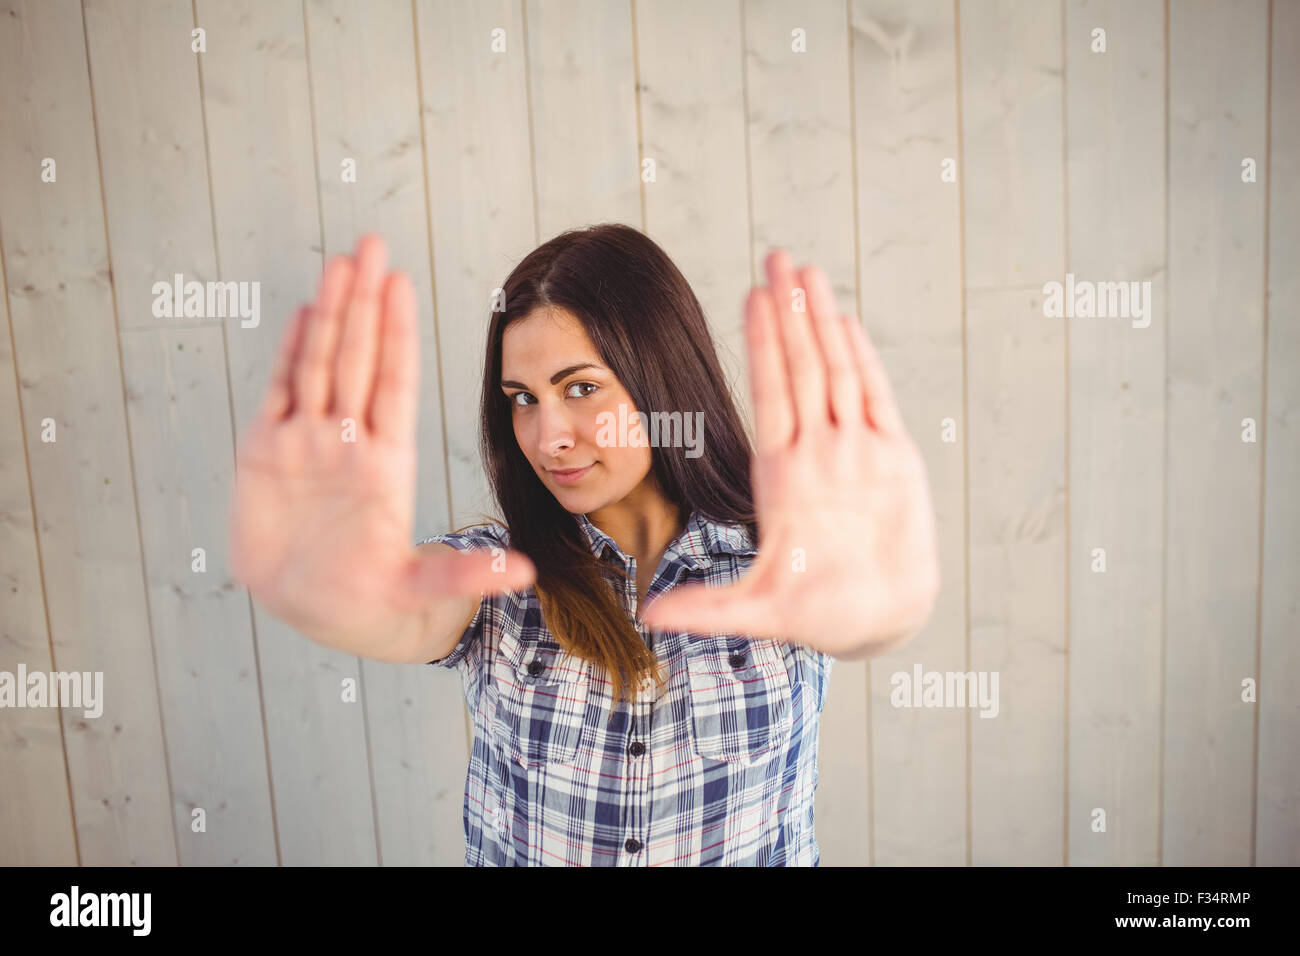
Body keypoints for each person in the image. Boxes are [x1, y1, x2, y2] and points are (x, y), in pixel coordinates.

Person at [228, 224, 940, 866]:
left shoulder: (782, 561)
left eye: (581, 388)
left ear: (661, 381)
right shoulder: (500, 576)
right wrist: (340, 601)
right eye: (523, 398)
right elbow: (402, 608)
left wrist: (888, 613)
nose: (547, 437)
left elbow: (865, 619)